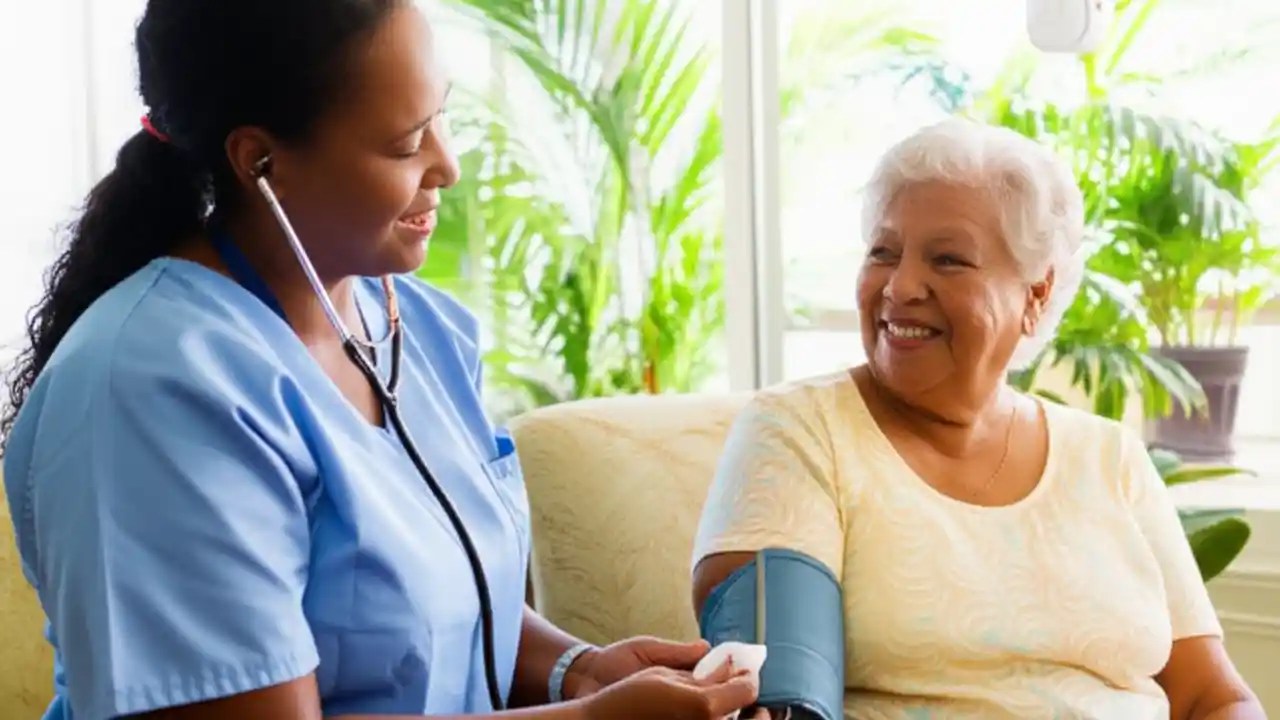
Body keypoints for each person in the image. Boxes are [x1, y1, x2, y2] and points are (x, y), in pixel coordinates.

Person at [0, 1, 763, 718]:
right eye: (405, 143)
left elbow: (434, 603)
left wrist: (579, 670)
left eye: (442, 118)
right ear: (260, 161)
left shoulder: (421, 330)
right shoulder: (152, 392)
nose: (448, 165)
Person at [690, 119, 1264, 719]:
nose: (901, 287)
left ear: (1036, 294)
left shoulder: (1108, 456)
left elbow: (1213, 696)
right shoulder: (800, 432)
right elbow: (782, 703)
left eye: (948, 260)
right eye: (884, 252)